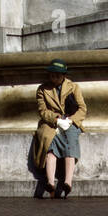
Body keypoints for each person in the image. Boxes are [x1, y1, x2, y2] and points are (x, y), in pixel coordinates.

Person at [32, 59, 86, 198]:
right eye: (51, 75)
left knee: (71, 143)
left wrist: (71, 120)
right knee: (50, 144)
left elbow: (82, 108)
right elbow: (42, 111)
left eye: (57, 75)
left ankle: (67, 182)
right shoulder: (42, 89)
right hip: (51, 123)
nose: (53, 78)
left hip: (69, 121)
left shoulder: (74, 87)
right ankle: (50, 183)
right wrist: (56, 119)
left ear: (63, 75)